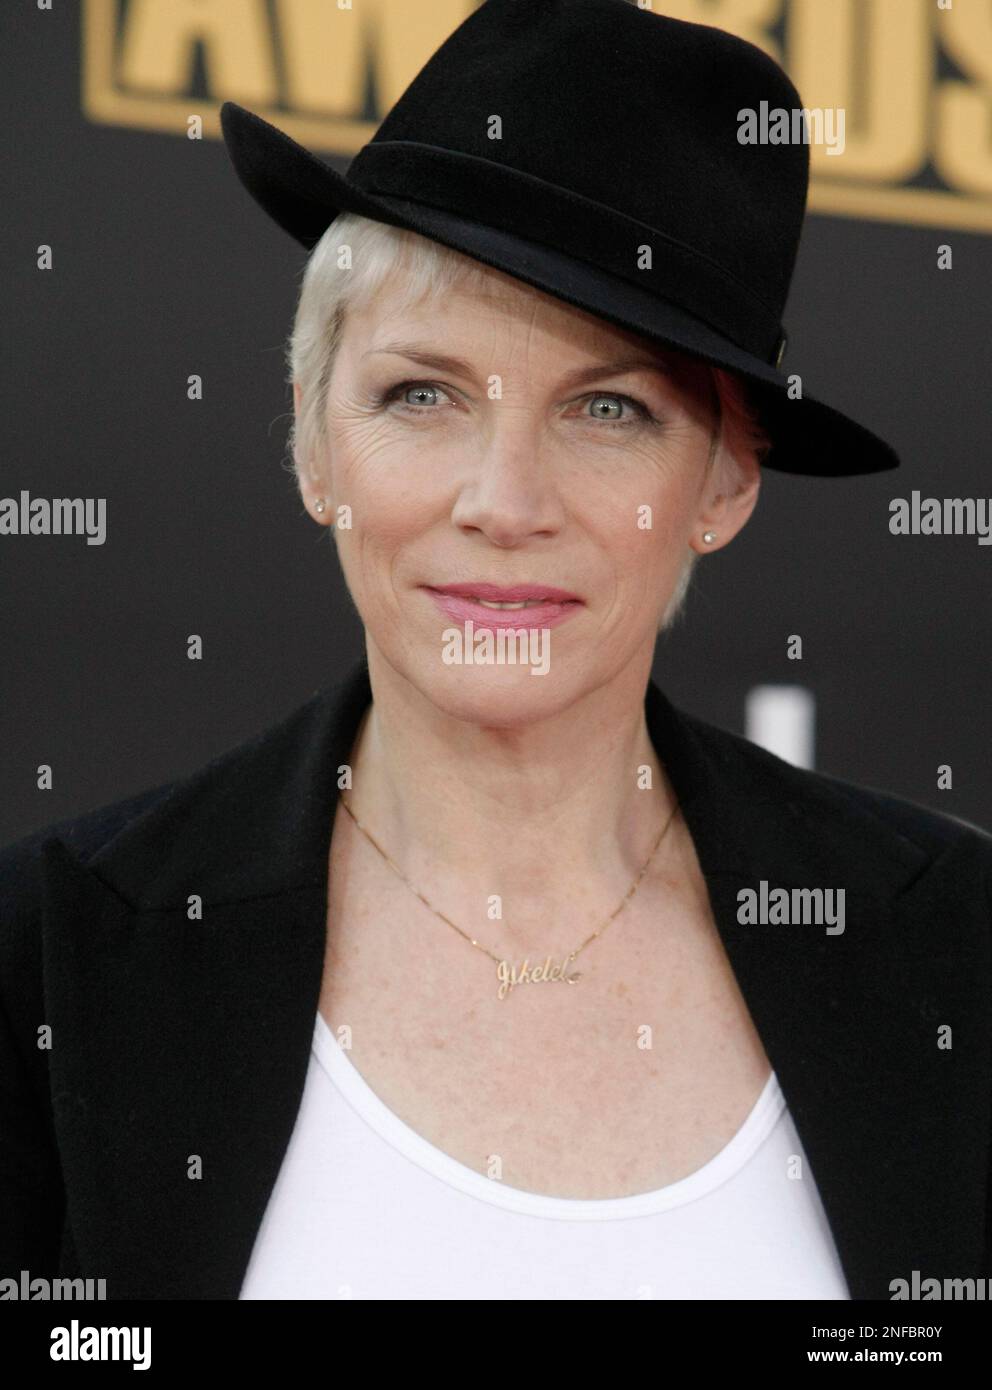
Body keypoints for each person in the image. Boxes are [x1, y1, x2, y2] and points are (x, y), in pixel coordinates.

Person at [2, 0, 990, 1302]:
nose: (503, 499)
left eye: (608, 408)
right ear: (311, 438)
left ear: (727, 479)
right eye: (424, 393)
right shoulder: (51, 952)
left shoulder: (957, 951)